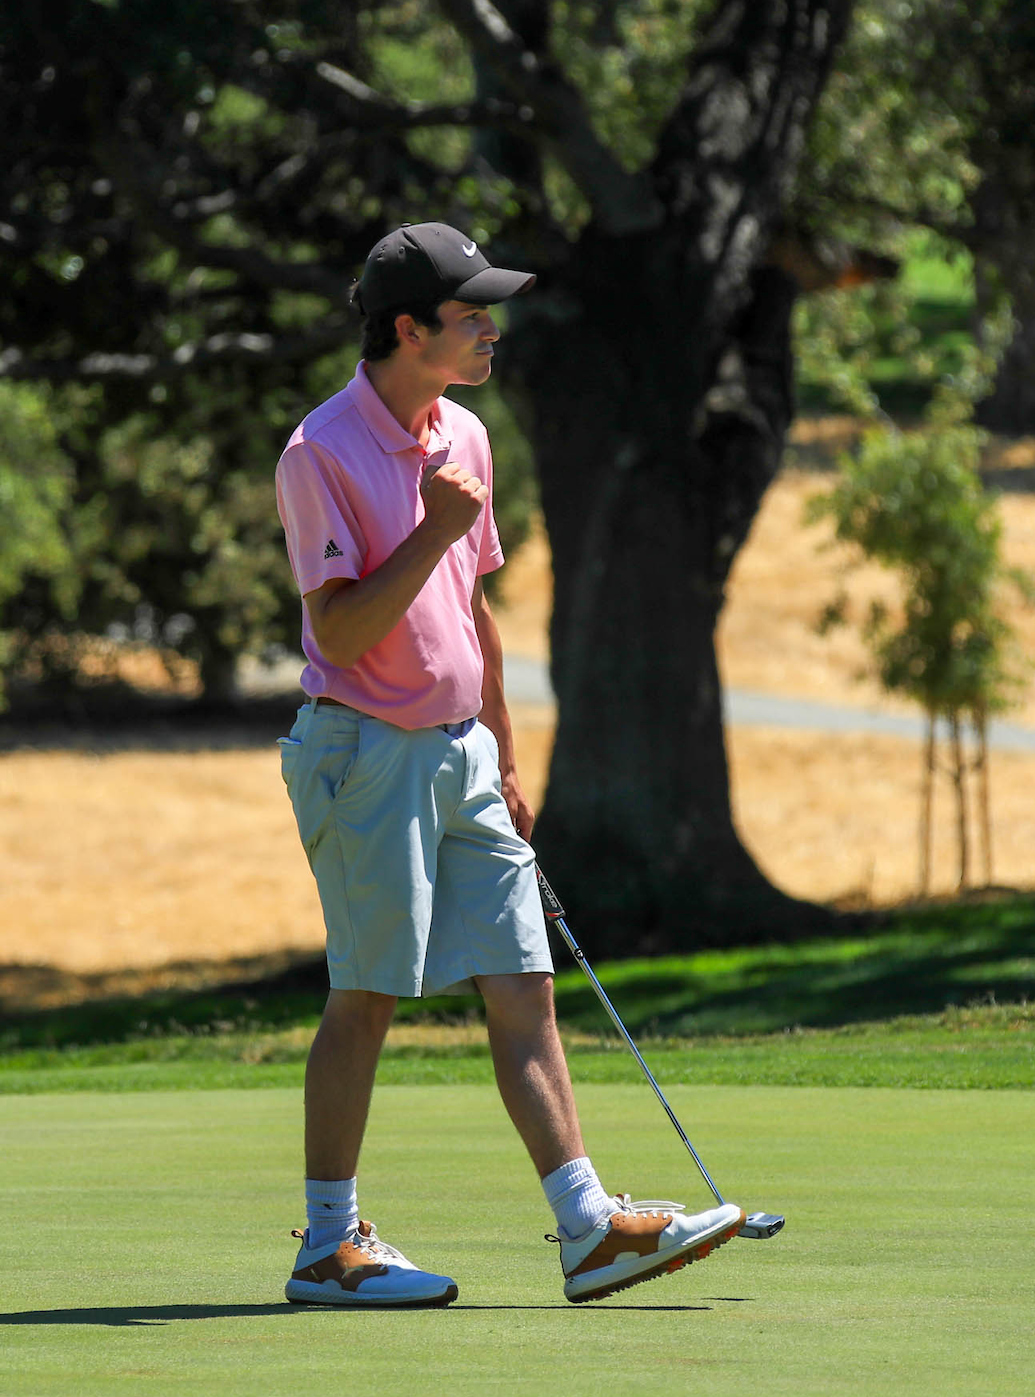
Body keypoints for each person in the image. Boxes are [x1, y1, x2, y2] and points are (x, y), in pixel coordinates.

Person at [272, 222, 744, 1307]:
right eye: (471, 313)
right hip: (361, 751)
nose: (491, 328)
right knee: (370, 993)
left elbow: (472, 615)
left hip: (462, 755)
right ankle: (328, 1245)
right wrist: (433, 531)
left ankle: (588, 1228)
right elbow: (340, 637)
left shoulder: (467, 436)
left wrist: (505, 755)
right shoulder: (320, 452)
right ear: (408, 328)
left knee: (525, 981)